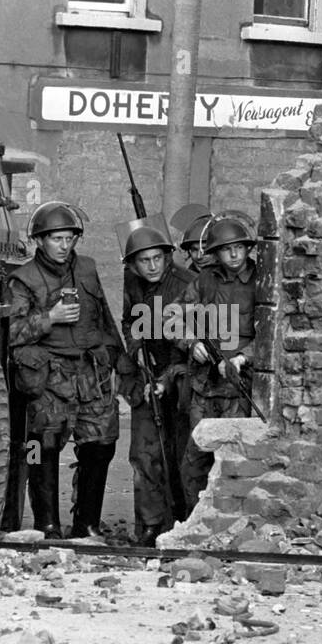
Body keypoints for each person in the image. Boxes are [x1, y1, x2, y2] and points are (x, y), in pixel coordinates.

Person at [6, 201, 123, 539]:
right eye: (56, 238)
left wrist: (118, 359)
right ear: (40, 240)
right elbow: (9, 332)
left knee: (100, 445)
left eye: (69, 238)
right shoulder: (23, 279)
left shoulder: (86, 269)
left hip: (90, 374)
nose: (63, 245)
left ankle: (86, 524)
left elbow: (104, 318)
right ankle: (47, 524)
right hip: (48, 379)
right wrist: (50, 318)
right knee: (38, 449)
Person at [177, 216, 259, 514]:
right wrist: (192, 342)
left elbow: (271, 332)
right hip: (205, 385)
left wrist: (243, 357)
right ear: (216, 253)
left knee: (237, 462)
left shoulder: (262, 281)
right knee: (195, 462)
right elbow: (174, 316)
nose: (235, 255)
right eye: (227, 249)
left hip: (242, 387)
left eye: (239, 247)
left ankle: (231, 525)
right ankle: (194, 525)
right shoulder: (205, 280)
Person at [119, 224, 195, 543]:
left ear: (167, 258)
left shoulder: (188, 284)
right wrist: (136, 350)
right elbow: (130, 322)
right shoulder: (134, 283)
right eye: (143, 261)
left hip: (182, 380)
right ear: (132, 265)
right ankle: (150, 525)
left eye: (157, 259)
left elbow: (203, 339)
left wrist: (166, 378)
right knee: (144, 455)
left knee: (183, 456)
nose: (151, 266)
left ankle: (185, 522)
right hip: (146, 378)